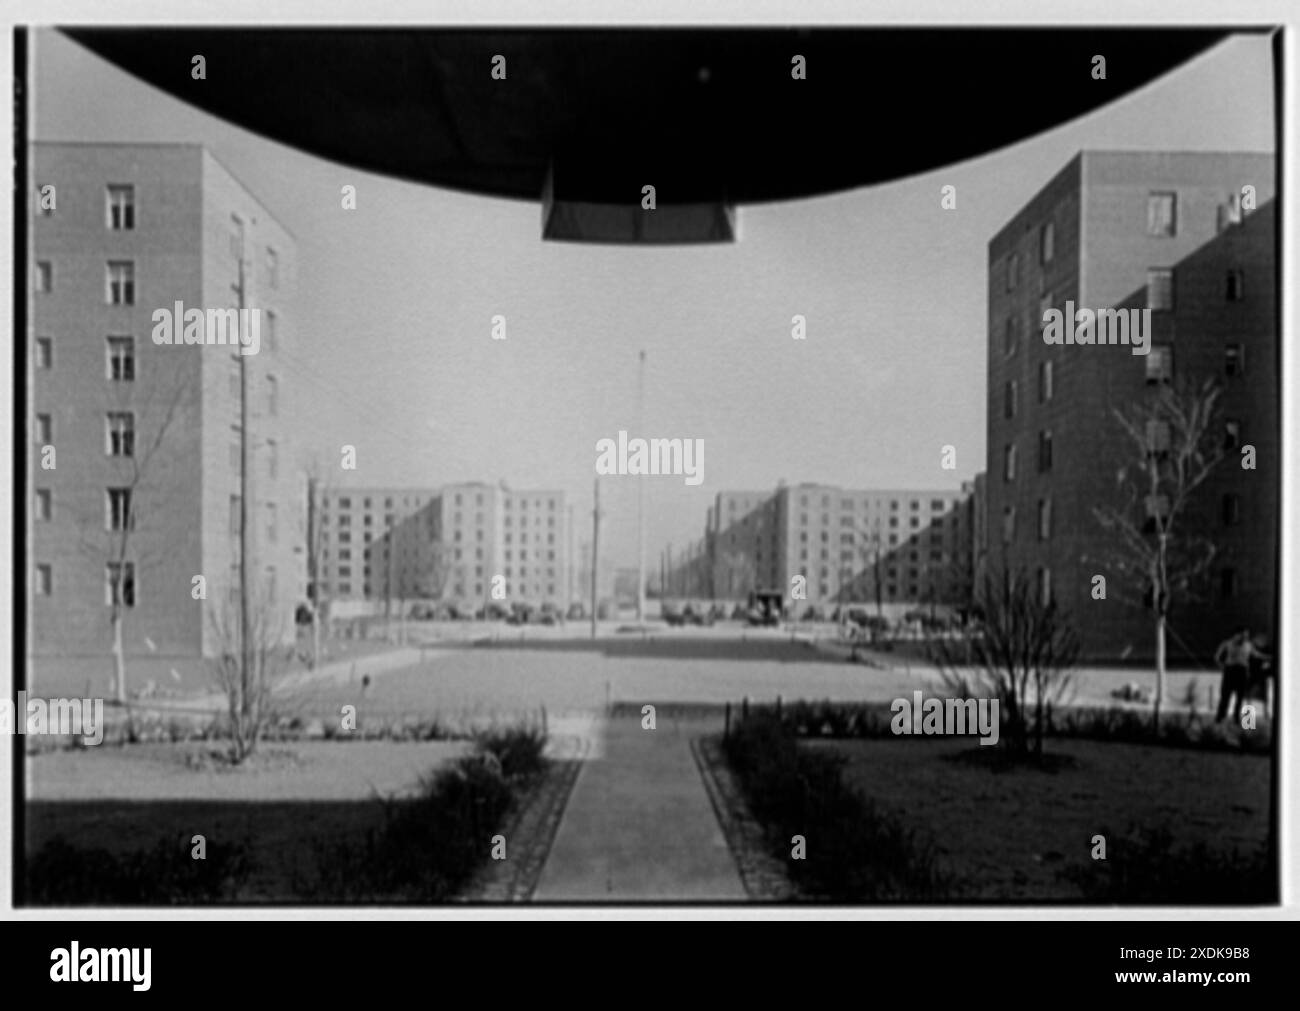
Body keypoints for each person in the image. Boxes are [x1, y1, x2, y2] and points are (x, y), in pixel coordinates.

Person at [1214, 626, 1266, 723]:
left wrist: (1269, 657)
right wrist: (1222, 667)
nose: (1244, 637)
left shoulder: (1248, 645)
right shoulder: (1227, 643)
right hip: (1230, 671)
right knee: (1225, 696)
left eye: (1246, 636)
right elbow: (1217, 657)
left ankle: (1236, 718)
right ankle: (1220, 717)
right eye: (1242, 635)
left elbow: (1257, 654)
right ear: (1236, 634)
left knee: (1240, 697)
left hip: (1242, 672)